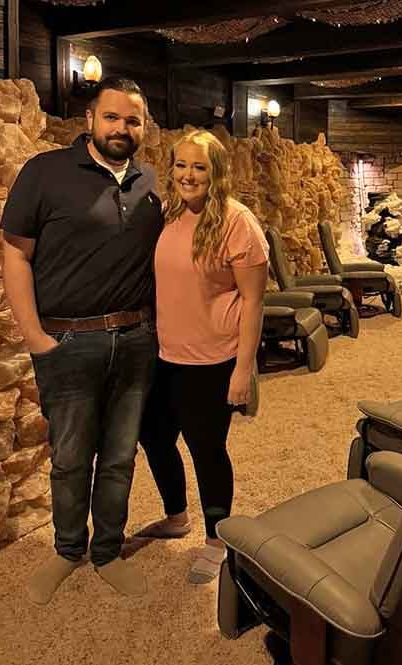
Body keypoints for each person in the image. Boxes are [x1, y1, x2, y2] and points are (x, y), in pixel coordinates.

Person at [1, 76, 163, 604]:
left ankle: (108, 551)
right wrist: (33, 335)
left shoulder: (151, 183)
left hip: (136, 340)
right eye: (112, 117)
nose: (122, 128)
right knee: (70, 457)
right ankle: (69, 549)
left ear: (144, 127)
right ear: (90, 119)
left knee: (119, 456)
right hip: (67, 342)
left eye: (133, 120)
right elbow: (16, 254)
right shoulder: (43, 173)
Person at [139, 129, 268, 583]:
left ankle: (217, 539)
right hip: (165, 355)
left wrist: (243, 369)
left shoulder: (237, 221)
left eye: (199, 166)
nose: (189, 175)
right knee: (154, 437)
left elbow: (254, 301)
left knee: (206, 450)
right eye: (181, 165)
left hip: (213, 360)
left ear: (216, 171)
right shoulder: (169, 214)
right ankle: (177, 518)